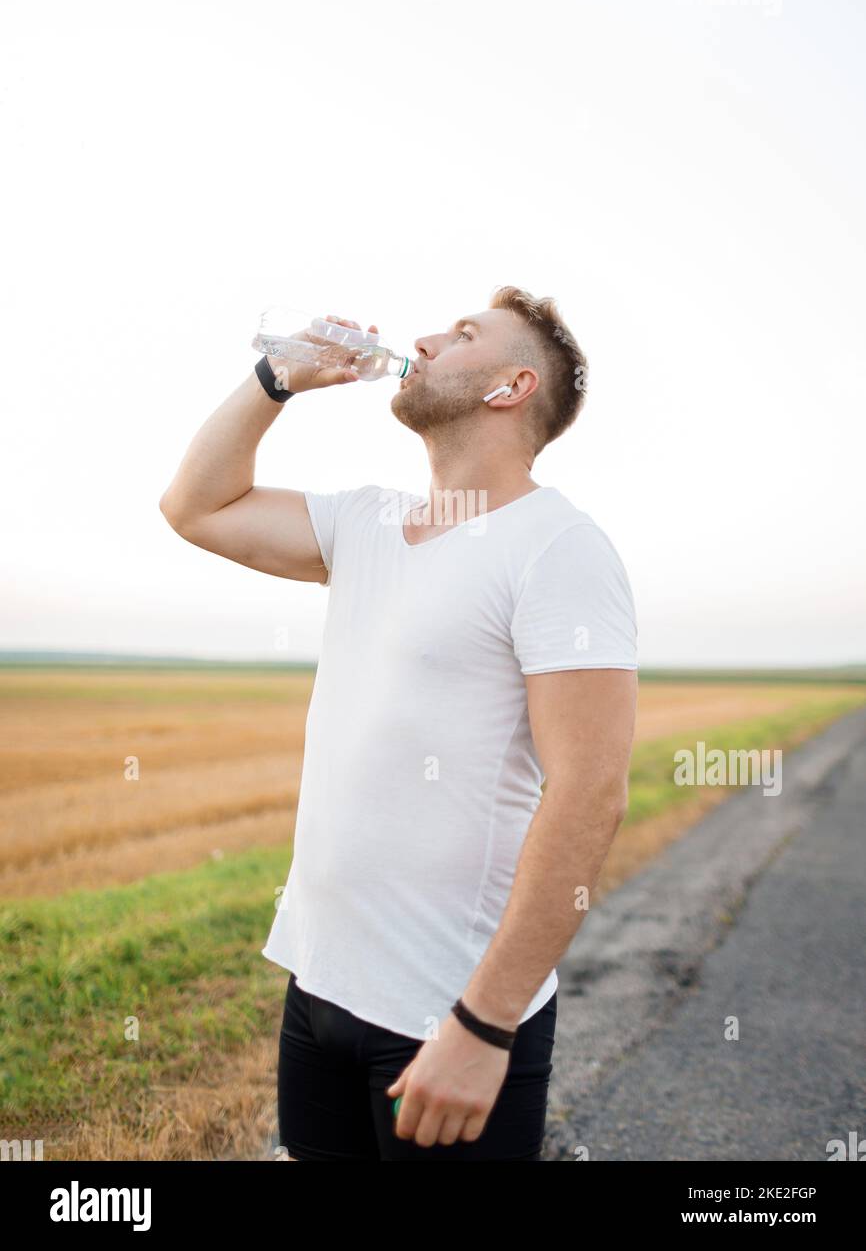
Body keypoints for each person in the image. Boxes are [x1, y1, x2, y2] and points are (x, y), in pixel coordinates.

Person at [159, 285, 638, 1160]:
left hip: (446, 1011)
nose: (423, 337)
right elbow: (194, 507)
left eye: (463, 335)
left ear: (510, 388)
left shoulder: (557, 548)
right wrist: (277, 378)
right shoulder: (367, 522)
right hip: (321, 987)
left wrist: (484, 1027)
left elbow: (590, 793)